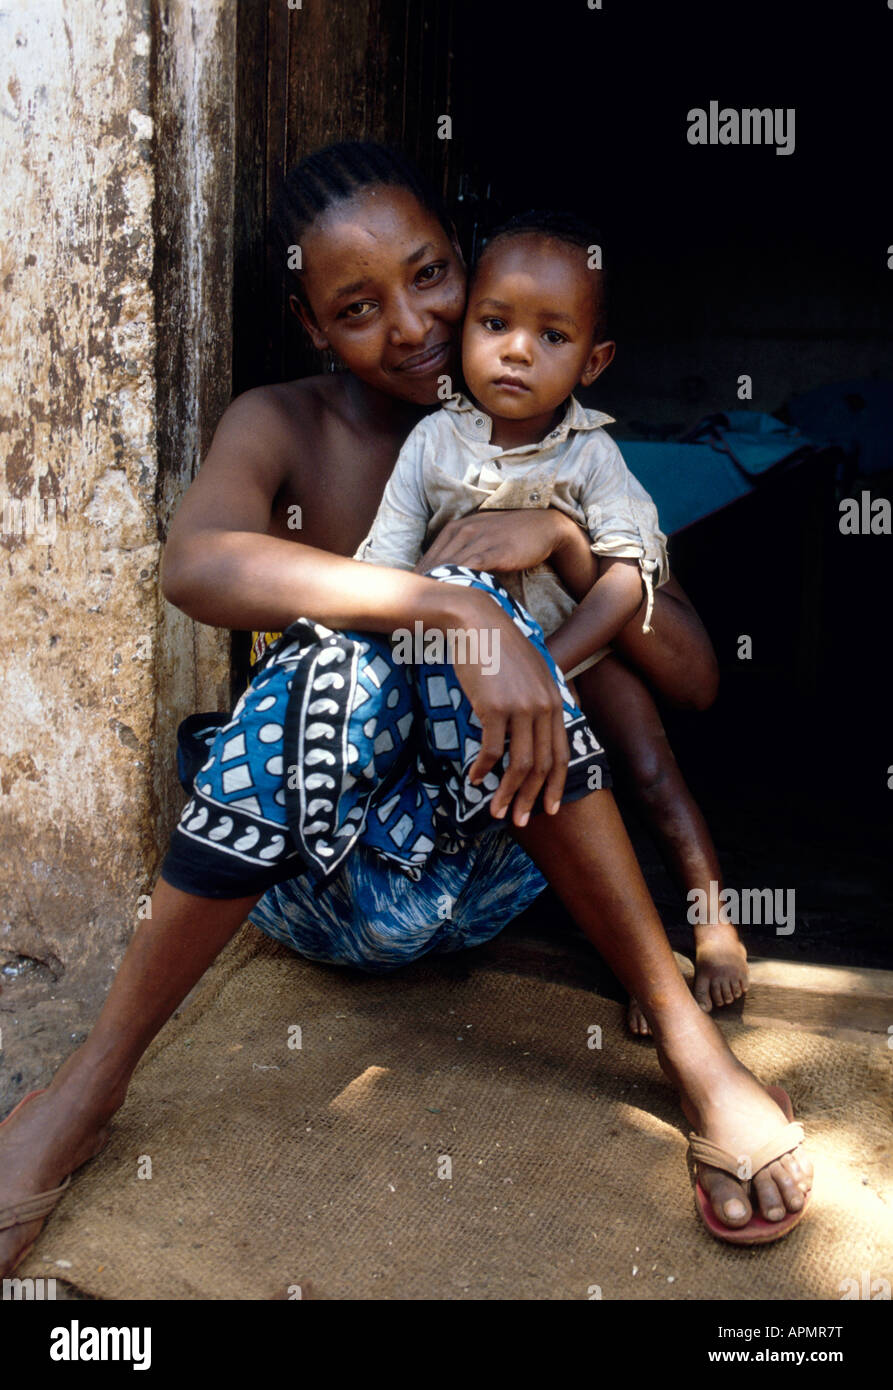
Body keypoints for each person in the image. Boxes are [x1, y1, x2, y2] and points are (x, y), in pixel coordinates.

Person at [0, 143, 811, 1278]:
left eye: (430, 274)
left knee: (496, 603)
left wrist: (569, 550)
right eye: (357, 306)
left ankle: (688, 1048)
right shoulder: (282, 424)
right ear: (311, 326)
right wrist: (444, 604)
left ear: (466, 257)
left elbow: (689, 673)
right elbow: (197, 565)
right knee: (404, 628)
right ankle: (85, 1091)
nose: (414, 322)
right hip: (324, 878)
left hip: (494, 860)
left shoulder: (565, 441)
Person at [354, 208, 749, 1032]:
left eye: (552, 336)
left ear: (594, 360)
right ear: (465, 331)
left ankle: (711, 921)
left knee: (646, 769)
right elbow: (383, 568)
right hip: (472, 663)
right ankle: (634, 964)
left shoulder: (589, 455)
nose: (517, 350)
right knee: (548, 804)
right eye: (494, 324)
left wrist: (552, 661)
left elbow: (624, 582)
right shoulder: (433, 443)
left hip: (586, 648)